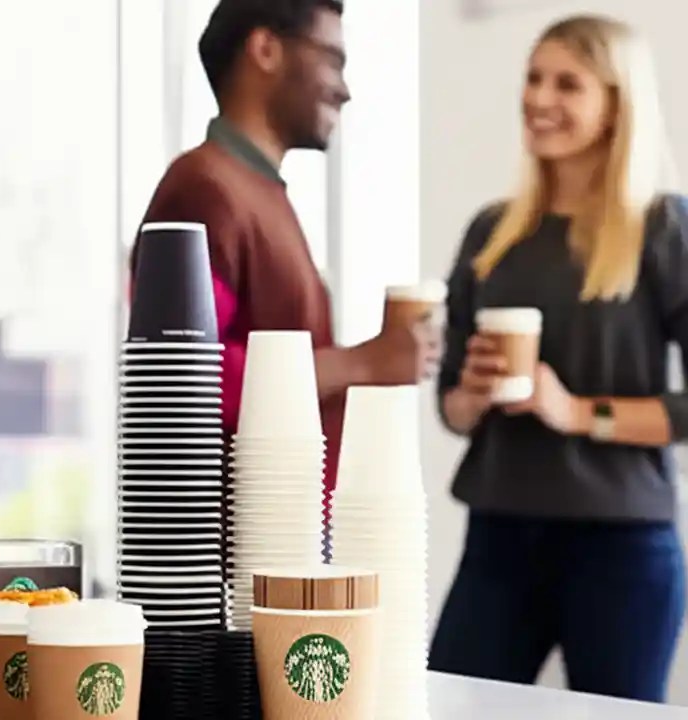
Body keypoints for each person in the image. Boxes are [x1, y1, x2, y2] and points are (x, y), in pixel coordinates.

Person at [429, 15, 687, 703]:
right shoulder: (493, 232)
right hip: (499, 534)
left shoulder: (663, 230)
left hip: (623, 547)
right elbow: (451, 406)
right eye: (533, 78)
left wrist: (572, 410)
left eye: (567, 83)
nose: (539, 98)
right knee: (450, 703)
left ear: (616, 106)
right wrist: (475, 394)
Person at [140, 0, 439, 489]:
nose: (344, 90)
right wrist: (362, 362)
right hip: (231, 548)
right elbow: (183, 381)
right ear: (265, 49)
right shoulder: (204, 189)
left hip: (279, 535)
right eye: (332, 60)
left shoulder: (255, 191)